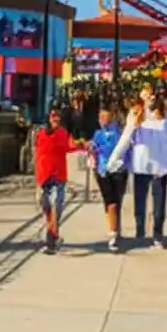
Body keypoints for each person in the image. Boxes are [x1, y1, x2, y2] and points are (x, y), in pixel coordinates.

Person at [107, 94, 167, 248]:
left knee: (159, 205)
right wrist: (113, 159)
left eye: (151, 96)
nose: (149, 99)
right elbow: (126, 138)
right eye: (145, 96)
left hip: (161, 166)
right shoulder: (136, 114)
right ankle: (140, 230)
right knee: (140, 202)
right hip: (141, 164)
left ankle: (158, 234)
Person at [35, 107, 87, 253]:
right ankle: (52, 231)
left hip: (58, 175)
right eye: (53, 117)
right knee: (45, 205)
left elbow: (69, 147)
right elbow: (36, 153)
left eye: (58, 117)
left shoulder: (63, 133)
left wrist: (81, 146)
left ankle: (51, 238)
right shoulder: (39, 134)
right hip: (44, 175)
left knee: (57, 206)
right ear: (48, 119)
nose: (56, 119)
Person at [89, 102, 131, 253]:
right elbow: (95, 150)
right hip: (102, 172)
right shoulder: (97, 134)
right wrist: (92, 151)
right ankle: (113, 235)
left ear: (111, 118)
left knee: (116, 203)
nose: (103, 119)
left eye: (105, 116)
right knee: (110, 204)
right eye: (100, 117)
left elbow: (125, 149)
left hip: (119, 171)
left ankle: (115, 230)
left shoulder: (119, 133)